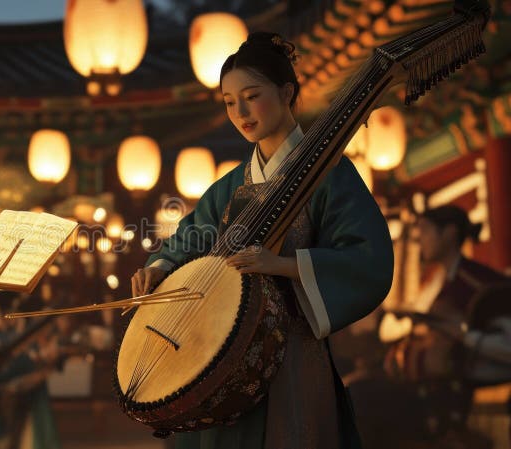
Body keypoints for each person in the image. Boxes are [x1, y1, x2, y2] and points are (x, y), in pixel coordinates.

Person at [131, 32, 394, 448]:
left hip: (290, 355)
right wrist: (158, 269)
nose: (240, 112)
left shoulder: (331, 175)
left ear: (287, 92)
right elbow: (187, 241)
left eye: (251, 96)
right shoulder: (228, 187)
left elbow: (368, 259)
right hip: (220, 358)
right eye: (229, 102)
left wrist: (284, 265)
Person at [380, 205, 508, 448]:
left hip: (475, 391)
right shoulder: (445, 282)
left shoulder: (478, 283)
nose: (421, 241)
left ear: (449, 233)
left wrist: (459, 334)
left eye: (425, 232)